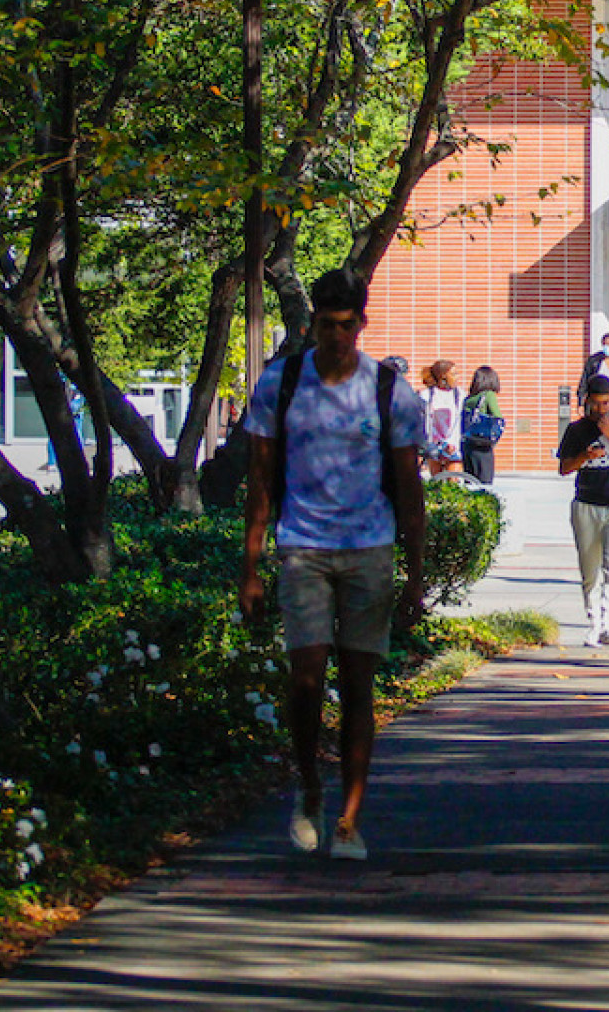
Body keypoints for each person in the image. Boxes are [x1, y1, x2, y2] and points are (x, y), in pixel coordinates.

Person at [238, 269, 428, 864]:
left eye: (348, 325)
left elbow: (407, 486)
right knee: (306, 679)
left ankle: (348, 819)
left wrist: (416, 573)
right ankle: (310, 787)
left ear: (361, 324)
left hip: (369, 549)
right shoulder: (282, 384)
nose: (338, 335)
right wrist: (251, 564)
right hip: (304, 547)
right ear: (312, 322)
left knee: (358, 687)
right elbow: (260, 480)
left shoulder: (388, 391)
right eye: (327, 324)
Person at [556, 374, 609, 647]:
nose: (601, 409)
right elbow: (564, 468)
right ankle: (593, 623)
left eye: (605, 403)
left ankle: (608, 624)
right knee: (590, 570)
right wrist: (585, 457)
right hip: (586, 503)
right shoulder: (576, 430)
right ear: (587, 402)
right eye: (595, 404)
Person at [460, 365, 504, 485]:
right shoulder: (488, 395)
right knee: (484, 482)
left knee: (469, 481)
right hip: (482, 444)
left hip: (467, 443)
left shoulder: (468, 399)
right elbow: (497, 416)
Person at [420, 360, 464, 477]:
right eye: (454, 374)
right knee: (437, 482)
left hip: (454, 445)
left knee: (454, 482)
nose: (457, 377)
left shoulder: (459, 395)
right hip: (434, 445)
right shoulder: (427, 395)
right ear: (443, 376)